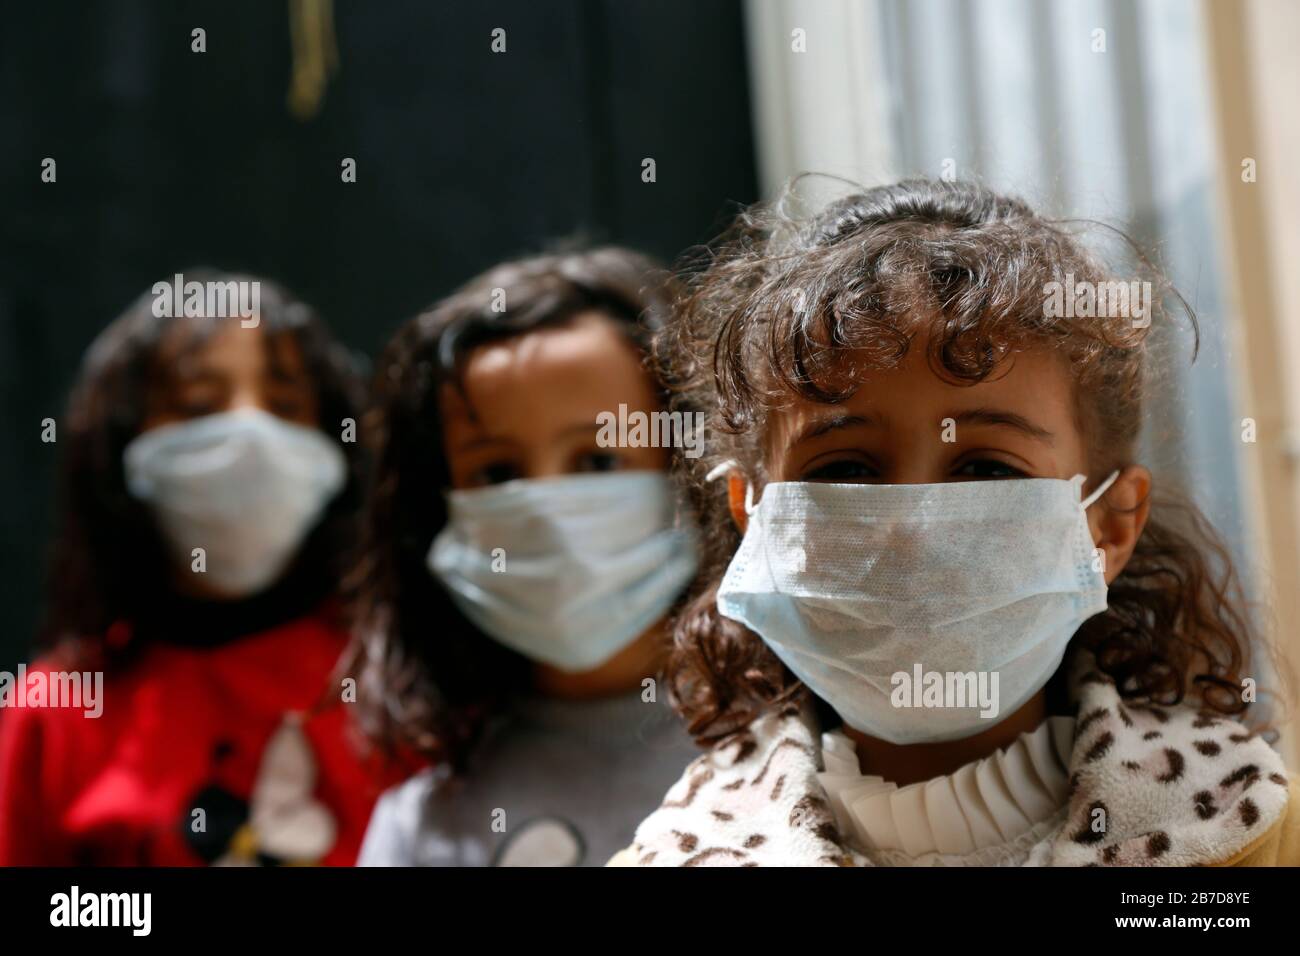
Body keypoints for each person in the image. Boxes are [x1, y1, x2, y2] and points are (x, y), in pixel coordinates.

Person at [613, 179, 1300, 867]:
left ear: (1109, 527)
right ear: (753, 521)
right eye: (844, 470)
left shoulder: (1253, 838)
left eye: (986, 469)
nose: (909, 530)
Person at [0, 272, 393, 865]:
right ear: (121, 444)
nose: (250, 432)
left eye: (285, 405)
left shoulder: (394, 688)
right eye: (198, 405)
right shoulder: (57, 709)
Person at [352, 248, 701, 866]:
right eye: (498, 471)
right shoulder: (422, 827)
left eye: (597, 460)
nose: (545, 507)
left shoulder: (820, 762)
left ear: (691, 470)